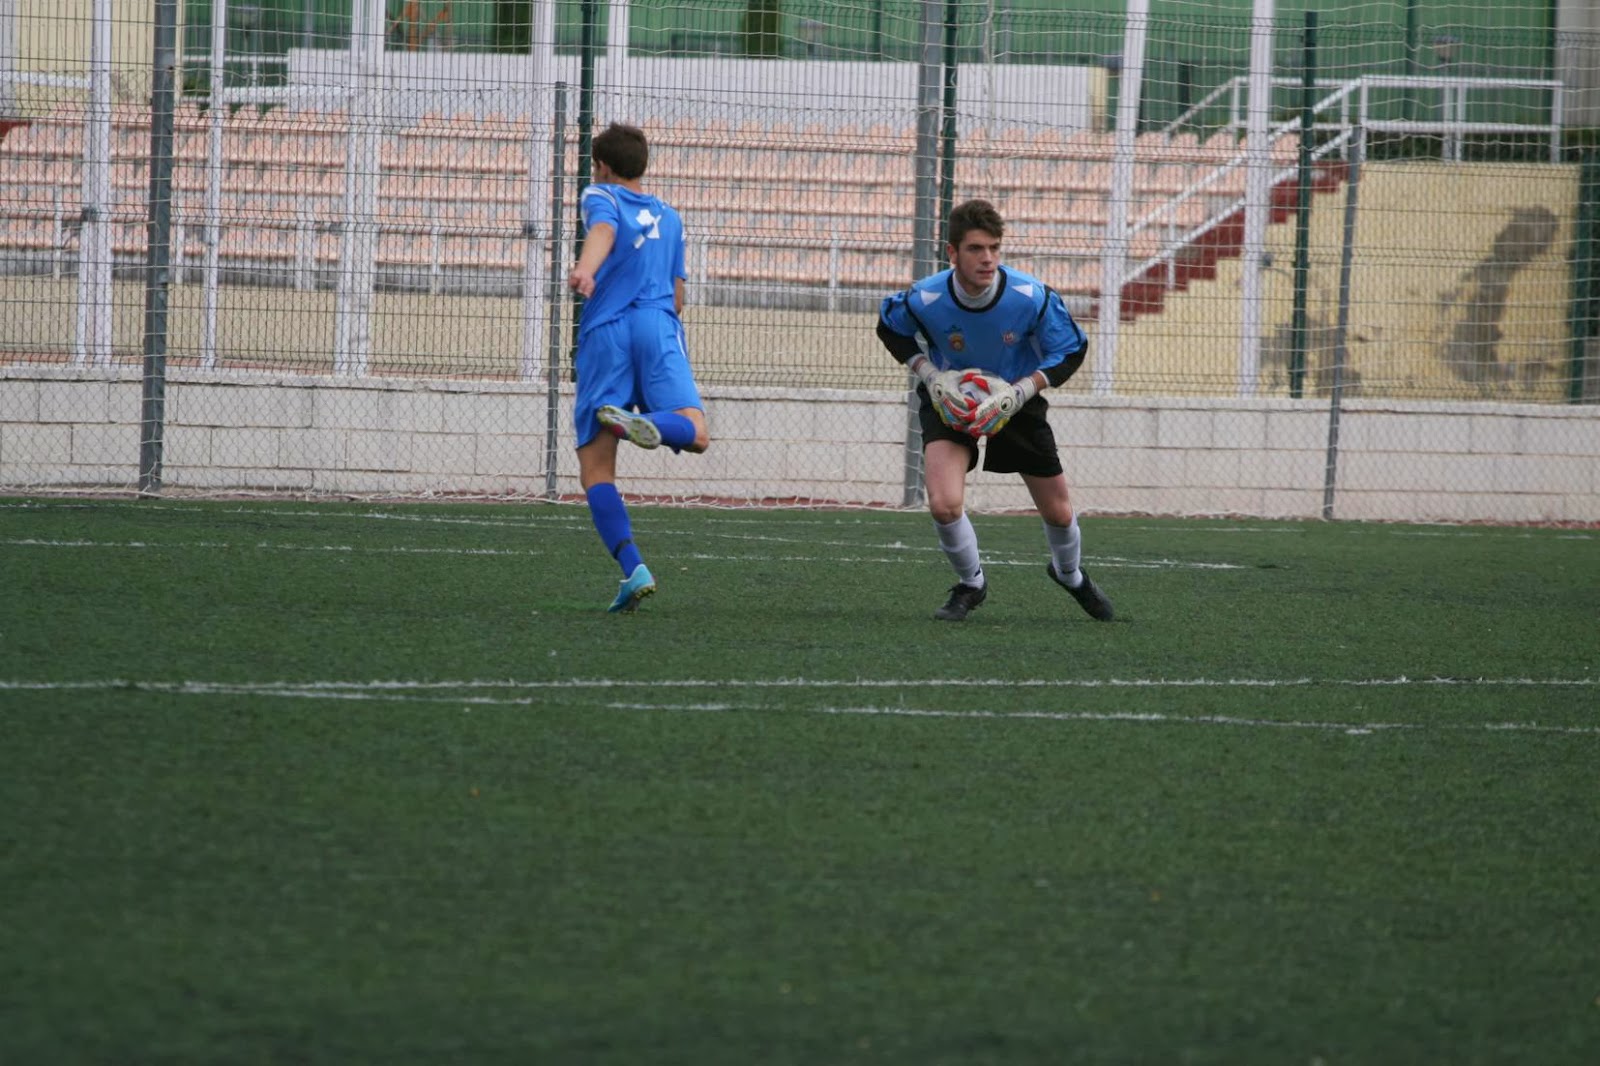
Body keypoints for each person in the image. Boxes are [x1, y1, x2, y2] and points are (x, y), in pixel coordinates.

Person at [876, 198, 1114, 623]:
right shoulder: (925, 297)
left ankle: (1070, 574)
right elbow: (890, 329)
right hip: (952, 399)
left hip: (1015, 401)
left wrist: (1021, 392)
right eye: (975, 249)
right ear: (952, 253)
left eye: (994, 248)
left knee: (1058, 513)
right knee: (944, 504)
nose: (987, 258)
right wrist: (931, 375)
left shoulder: (1030, 296)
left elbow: (1071, 349)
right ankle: (971, 584)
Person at [567, 122, 710, 613]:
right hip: (658, 323)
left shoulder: (599, 194)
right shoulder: (670, 217)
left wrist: (587, 269)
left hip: (607, 331)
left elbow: (603, 230)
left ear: (602, 166)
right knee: (694, 432)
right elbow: (679, 296)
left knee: (596, 469)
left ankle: (634, 568)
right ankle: (650, 425)